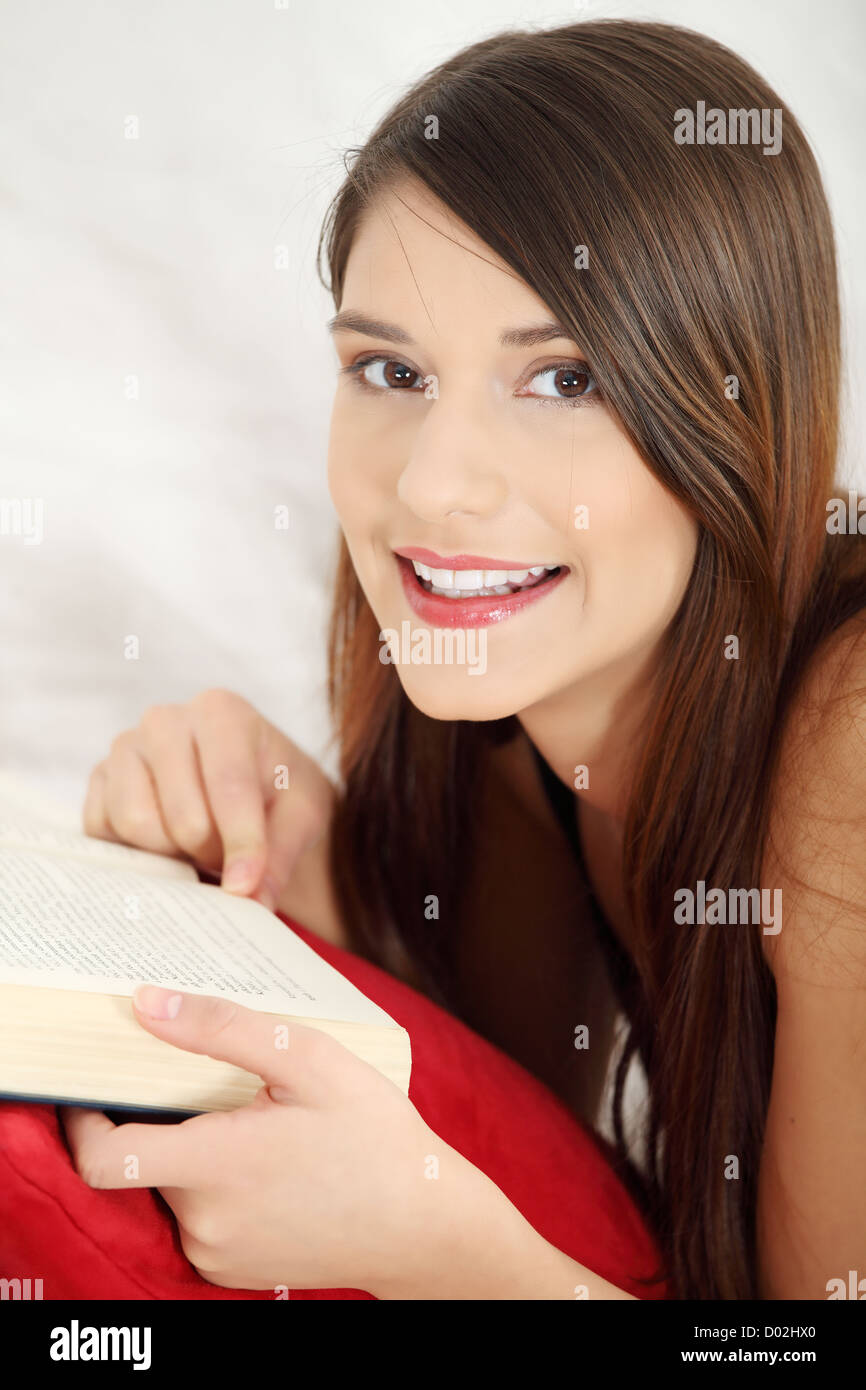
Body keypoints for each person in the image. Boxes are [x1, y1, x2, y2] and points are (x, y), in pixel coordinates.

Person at [67, 20, 866, 1299]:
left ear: (736, 409)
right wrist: (292, 841)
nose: (433, 485)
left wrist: (448, 1257)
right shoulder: (514, 730)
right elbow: (525, 1123)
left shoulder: (848, 743)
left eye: (563, 380)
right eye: (389, 369)